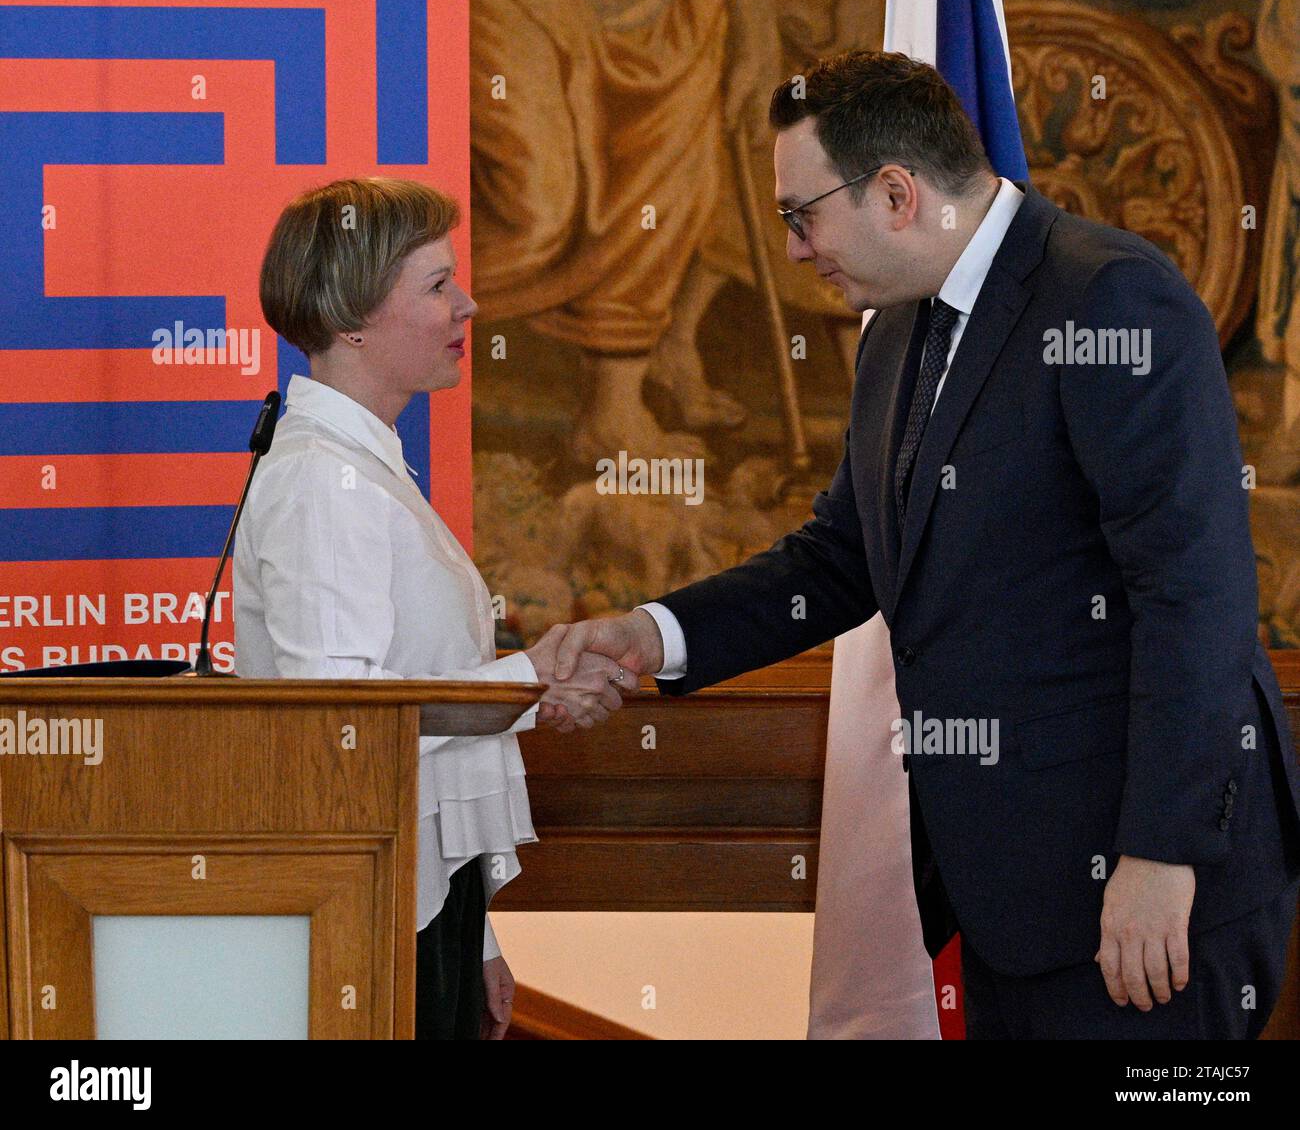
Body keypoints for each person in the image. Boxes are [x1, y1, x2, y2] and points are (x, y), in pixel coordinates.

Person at [549, 51, 1300, 1040]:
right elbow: (840, 559)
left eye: (798, 216)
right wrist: (654, 634)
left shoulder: (1110, 299)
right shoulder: (897, 335)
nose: (794, 250)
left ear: (895, 193)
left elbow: (1192, 595)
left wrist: (1161, 856)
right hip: (1007, 897)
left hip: (1142, 889)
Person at [234, 177, 635, 1039]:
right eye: (437, 285)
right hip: (364, 911)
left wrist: (478, 930)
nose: (469, 303)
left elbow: (420, 730)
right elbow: (344, 719)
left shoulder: (364, 466)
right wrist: (534, 680)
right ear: (351, 317)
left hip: (420, 899)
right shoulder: (321, 480)